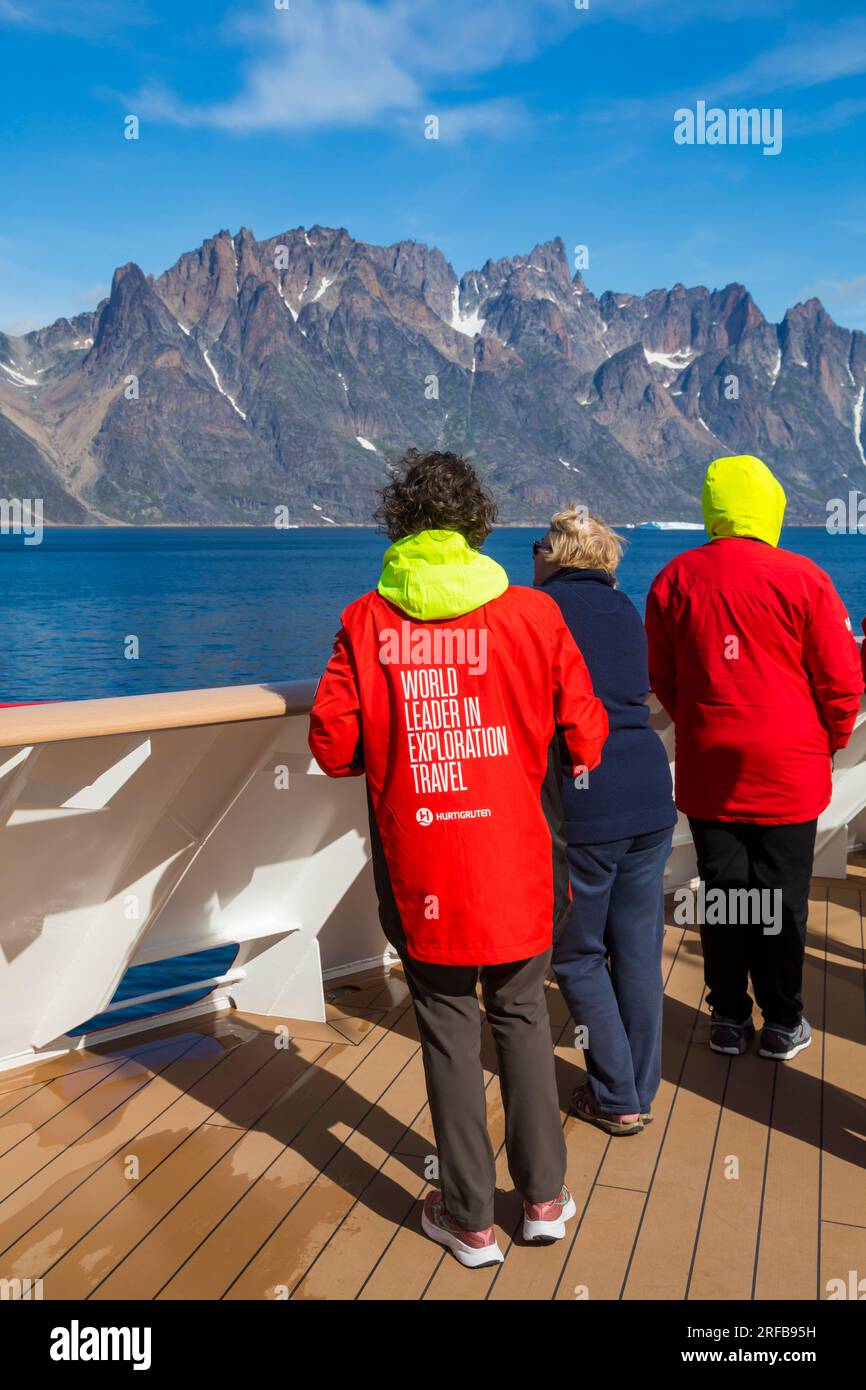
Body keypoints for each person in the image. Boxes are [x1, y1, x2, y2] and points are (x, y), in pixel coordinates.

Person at [309, 450, 608, 1267]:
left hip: (425, 869)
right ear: (477, 524)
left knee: (447, 1030)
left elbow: (334, 746)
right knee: (520, 1017)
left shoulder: (366, 621)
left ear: (400, 523)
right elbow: (587, 730)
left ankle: (471, 1220)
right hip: (520, 864)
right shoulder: (533, 616)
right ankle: (543, 1200)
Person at [646, 455, 862, 1061]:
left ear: (711, 508)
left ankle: (729, 1017)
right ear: (772, 507)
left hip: (711, 770)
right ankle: (783, 1021)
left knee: (724, 895)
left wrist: (699, 721)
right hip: (789, 770)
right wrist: (829, 740)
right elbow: (842, 681)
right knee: (782, 898)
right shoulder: (804, 578)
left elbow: (662, 674)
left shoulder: (674, 579)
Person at [534, 508, 676, 1136]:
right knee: (638, 947)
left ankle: (617, 1095)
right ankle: (639, 1086)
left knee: (579, 952)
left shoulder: (539, 611)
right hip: (649, 786)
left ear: (558, 554)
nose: (531, 555)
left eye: (538, 545)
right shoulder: (625, 611)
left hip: (587, 794)